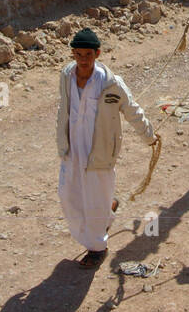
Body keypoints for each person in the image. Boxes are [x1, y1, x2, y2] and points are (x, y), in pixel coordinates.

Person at [56, 28, 161, 269]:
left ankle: (97, 248)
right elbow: (64, 110)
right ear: (73, 54)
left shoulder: (111, 83)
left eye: (88, 54)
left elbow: (132, 109)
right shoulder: (66, 76)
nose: (83, 60)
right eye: (79, 54)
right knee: (68, 196)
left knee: (93, 202)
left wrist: (149, 136)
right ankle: (108, 208)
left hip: (100, 152)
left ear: (97, 54)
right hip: (72, 148)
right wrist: (61, 140)